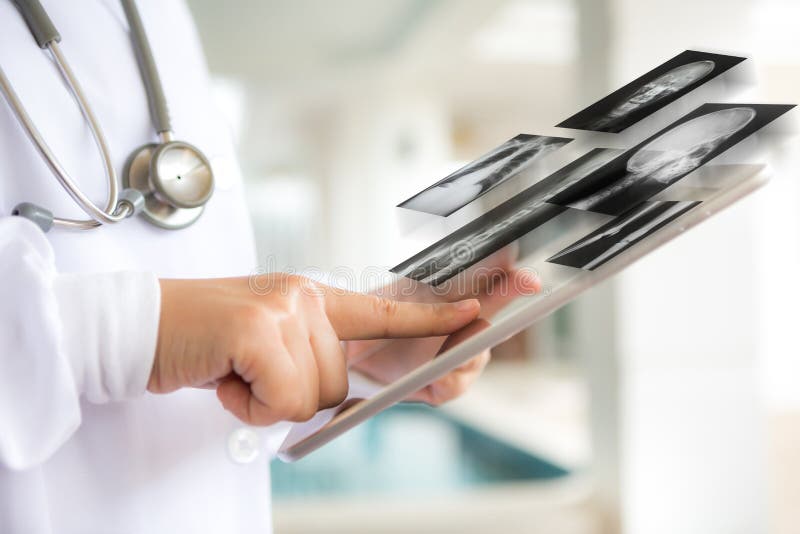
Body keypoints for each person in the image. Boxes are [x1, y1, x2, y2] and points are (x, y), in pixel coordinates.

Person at [0, 2, 536, 532]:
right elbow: (150, 329)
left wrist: (353, 351)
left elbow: (199, 341)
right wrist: (120, 334)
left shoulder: (161, 13)